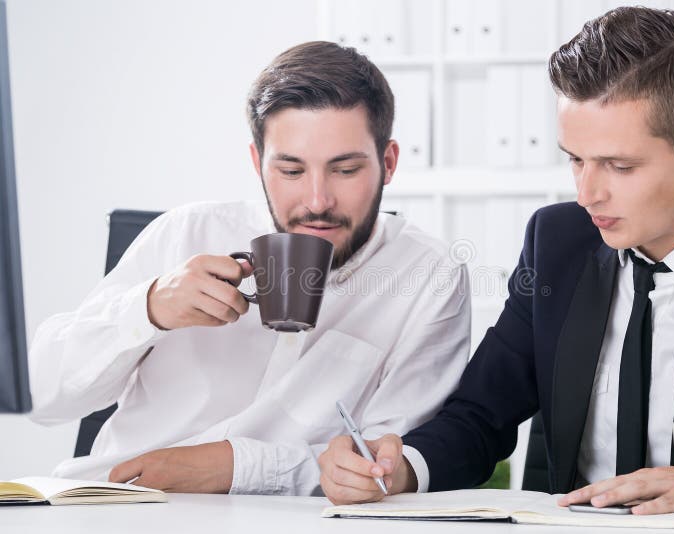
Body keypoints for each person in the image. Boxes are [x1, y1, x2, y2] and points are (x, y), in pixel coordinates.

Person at [318, 6, 674, 514]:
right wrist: (398, 468)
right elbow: (480, 414)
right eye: (575, 159)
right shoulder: (556, 243)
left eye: (620, 166)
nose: (587, 194)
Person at [28, 41, 471, 495]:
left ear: (388, 163)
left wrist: (235, 466)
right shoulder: (185, 232)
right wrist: (148, 309)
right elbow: (43, 398)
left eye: (345, 170)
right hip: (114, 503)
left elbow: (380, 467)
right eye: (291, 171)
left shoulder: (429, 276)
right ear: (258, 163)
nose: (317, 201)